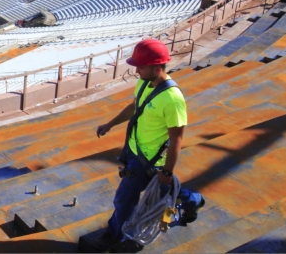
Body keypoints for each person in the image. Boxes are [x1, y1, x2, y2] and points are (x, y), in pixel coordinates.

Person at [81, 39, 203, 253]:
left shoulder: (173, 100)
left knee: (124, 199)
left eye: (141, 66)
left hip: (151, 159)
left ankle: (114, 235)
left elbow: (177, 139)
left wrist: (167, 170)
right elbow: (135, 107)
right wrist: (110, 124)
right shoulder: (145, 83)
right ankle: (194, 200)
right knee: (165, 191)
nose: (137, 70)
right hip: (134, 151)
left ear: (158, 67)